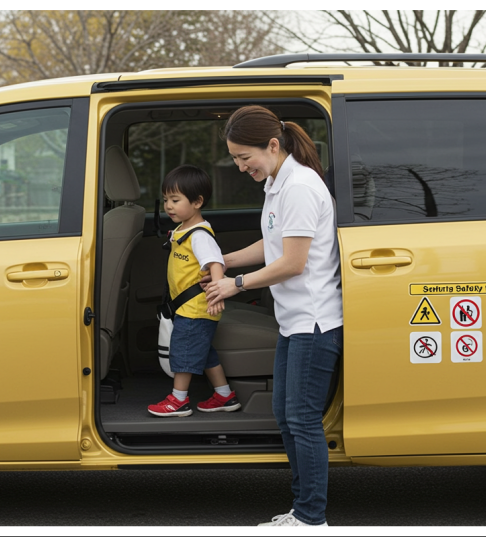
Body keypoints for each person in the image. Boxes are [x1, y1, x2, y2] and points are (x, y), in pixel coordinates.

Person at [204, 105, 343, 526]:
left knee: (302, 420)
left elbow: (293, 262)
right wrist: (223, 259)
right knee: (288, 418)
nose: (240, 167)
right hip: (294, 320)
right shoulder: (279, 183)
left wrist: (237, 284)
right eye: (234, 159)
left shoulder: (299, 186)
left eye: (245, 158)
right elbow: (272, 245)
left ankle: (311, 518)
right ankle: (301, 512)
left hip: (313, 322)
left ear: (273, 145)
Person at [147, 165, 241, 417]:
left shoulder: (199, 235)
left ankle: (178, 400)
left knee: (184, 353)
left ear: (197, 202)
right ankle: (224, 395)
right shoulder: (182, 230)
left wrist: (218, 292)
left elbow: (215, 263)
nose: (169, 205)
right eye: (166, 199)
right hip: (188, 307)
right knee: (205, 352)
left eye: (176, 200)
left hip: (197, 307)